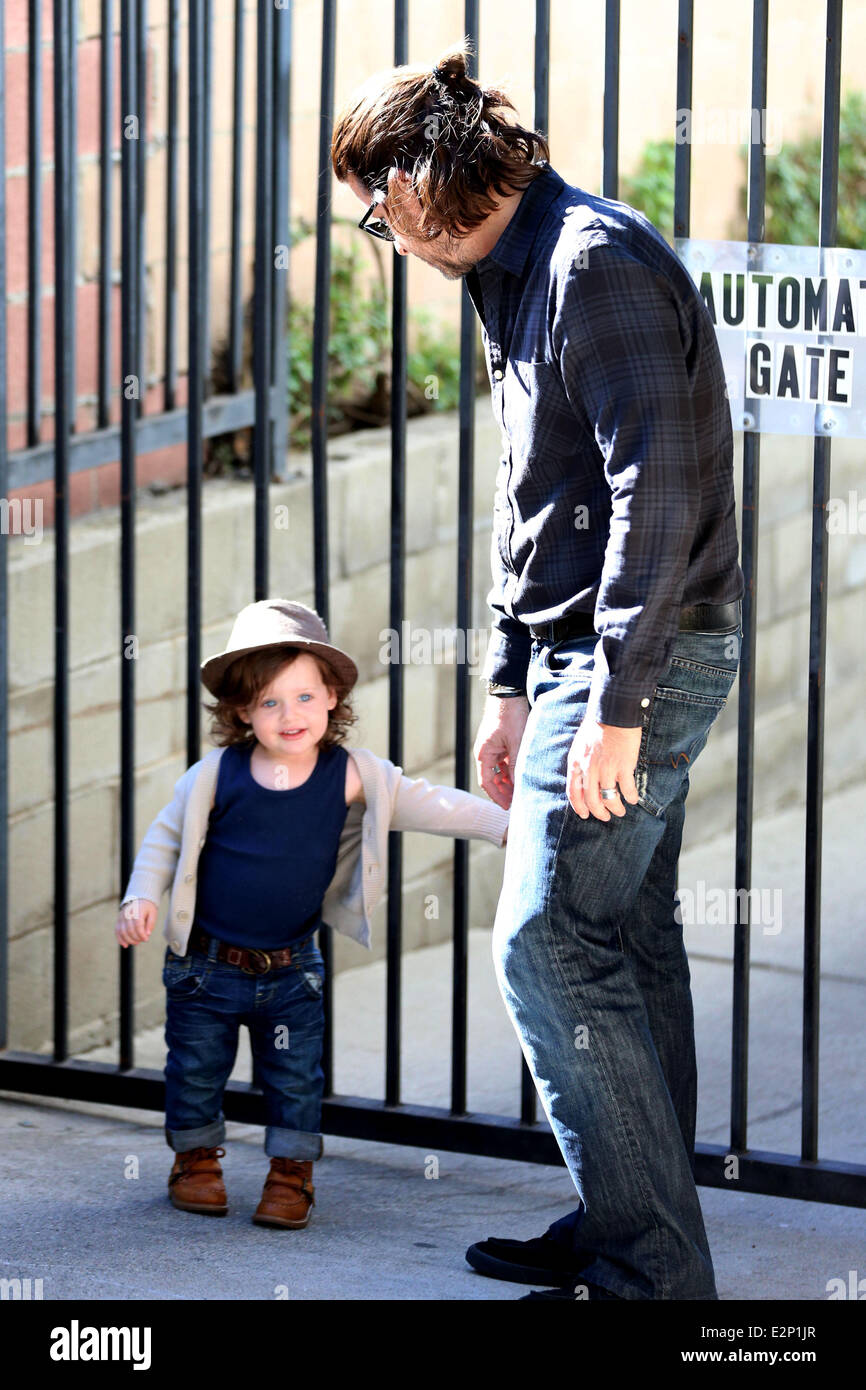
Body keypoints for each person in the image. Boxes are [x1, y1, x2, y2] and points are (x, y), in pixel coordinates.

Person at [333, 40, 744, 1299]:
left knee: (543, 946)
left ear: (419, 178)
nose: (377, 232)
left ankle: (648, 1274)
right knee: (618, 937)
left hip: (640, 657)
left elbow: (653, 500)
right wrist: (512, 682)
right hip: (578, 659)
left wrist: (613, 704)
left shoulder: (591, 267)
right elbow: (540, 496)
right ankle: (634, 1221)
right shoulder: (505, 273)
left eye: (372, 204)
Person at [115, 599, 508, 1229]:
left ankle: (290, 1176)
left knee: (295, 1076)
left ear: (331, 697)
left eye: (302, 697)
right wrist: (142, 897)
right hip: (203, 967)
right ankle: (196, 1163)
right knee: (194, 1069)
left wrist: (505, 828)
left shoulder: (354, 776)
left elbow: (431, 805)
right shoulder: (215, 775)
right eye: (268, 702)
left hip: (291, 969)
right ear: (242, 710)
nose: (288, 715)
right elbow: (164, 840)